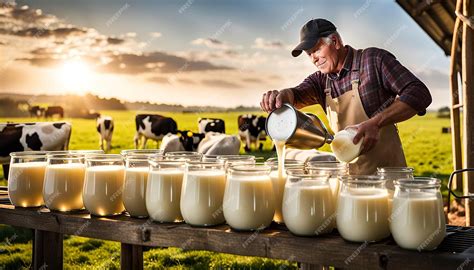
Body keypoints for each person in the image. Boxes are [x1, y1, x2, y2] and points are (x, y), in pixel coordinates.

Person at [260, 18, 432, 174]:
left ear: (334, 41)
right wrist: (280, 96)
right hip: (349, 185)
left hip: (389, 181)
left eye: (317, 49)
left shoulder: (373, 60)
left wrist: (376, 122)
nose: (314, 58)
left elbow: (418, 92)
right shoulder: (320, 81)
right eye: (309, 53)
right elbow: (295, 95)